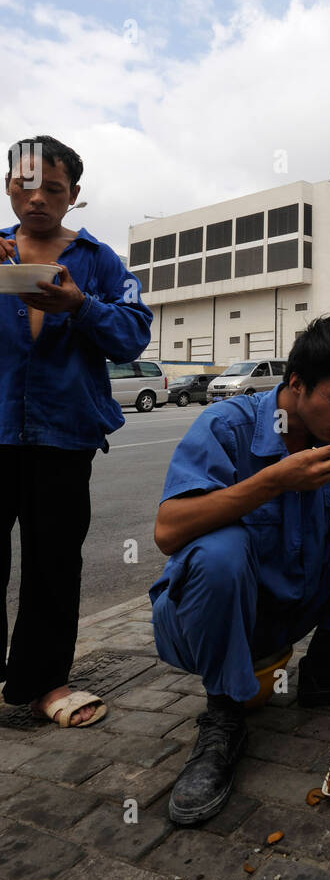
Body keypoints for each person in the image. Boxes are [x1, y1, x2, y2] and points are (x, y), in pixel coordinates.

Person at [150, 313, 330, 825]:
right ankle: (222, 716)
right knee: (220, 550)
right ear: (296, 383)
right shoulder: (229, 425)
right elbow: (167, 531)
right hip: (212, 617)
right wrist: (272, 481)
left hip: (293, 602)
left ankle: (327, 669)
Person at [1, 136, 152, 728]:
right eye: (24, 185)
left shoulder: (100, 260)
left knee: (53, 561)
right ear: (9, 184)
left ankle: (43, 683)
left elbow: (133, 336)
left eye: (53, 190)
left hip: (64, 437)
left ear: (73, 196)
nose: (36, 199)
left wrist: (78, 305)